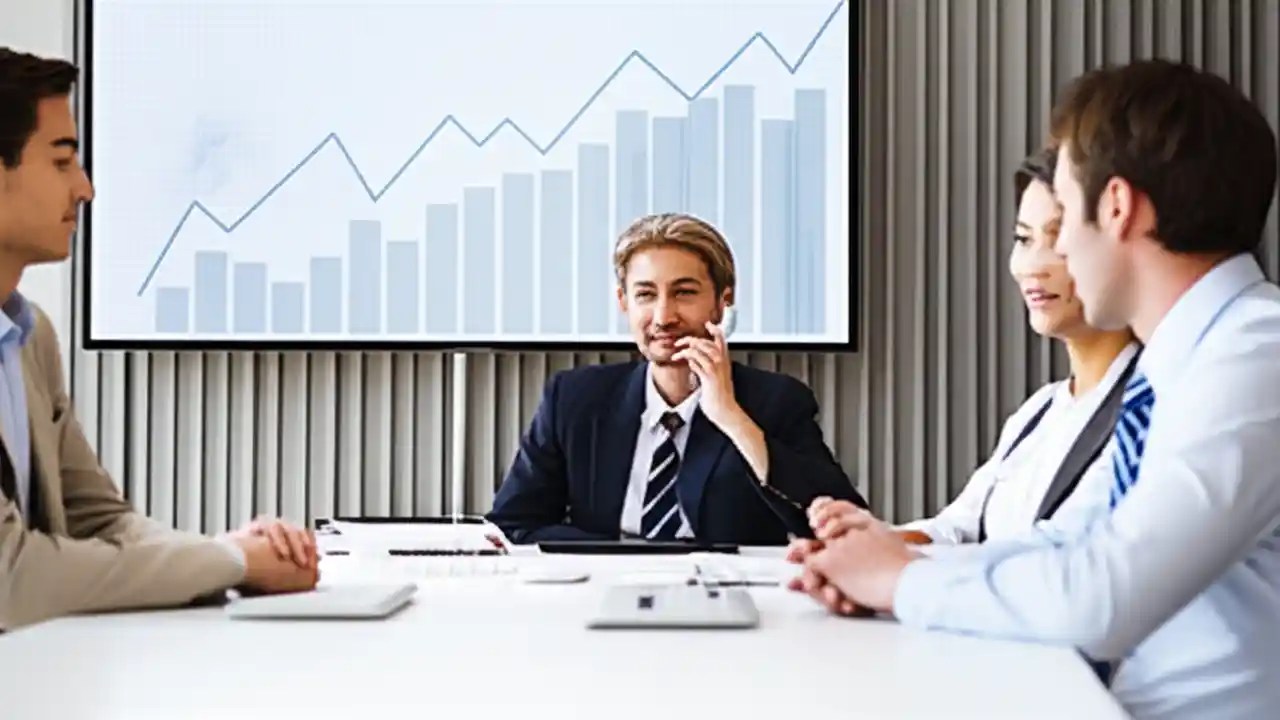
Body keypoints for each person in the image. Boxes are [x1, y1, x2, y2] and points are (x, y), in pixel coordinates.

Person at [790, 59, 1280, 719]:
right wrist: (882, 569)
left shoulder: (1257, 356)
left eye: (1064, 216)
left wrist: (898, 579)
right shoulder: (1181, 366)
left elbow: (1099, 596)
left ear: (1115, 207)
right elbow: (1068, 544)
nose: (1058, 254)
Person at [0, 47, 318, 631]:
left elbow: (101, 519)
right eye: (62, 162)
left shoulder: (30, 338)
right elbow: (10, 575)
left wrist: (231, 556)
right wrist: (229, 561)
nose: (85, 190)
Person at [487, 212, 864, 545]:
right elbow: (513, 524)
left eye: (684, 293)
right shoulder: (574, 399)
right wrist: (623, 557)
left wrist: (732, 418)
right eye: (646, 295)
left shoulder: (776, 401)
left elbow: (846, 530)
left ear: (722, 301)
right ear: (624, 302)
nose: (663, 316)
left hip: (727, 599)